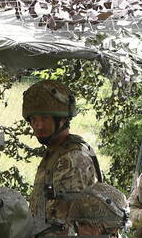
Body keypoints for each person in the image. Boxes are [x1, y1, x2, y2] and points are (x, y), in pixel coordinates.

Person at [23, 80, 101, 227]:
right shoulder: (56, 152)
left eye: (45, 118)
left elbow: (64, 223)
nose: (38, 126)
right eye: (33, 119)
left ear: (63, 120)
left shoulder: (73, 158)